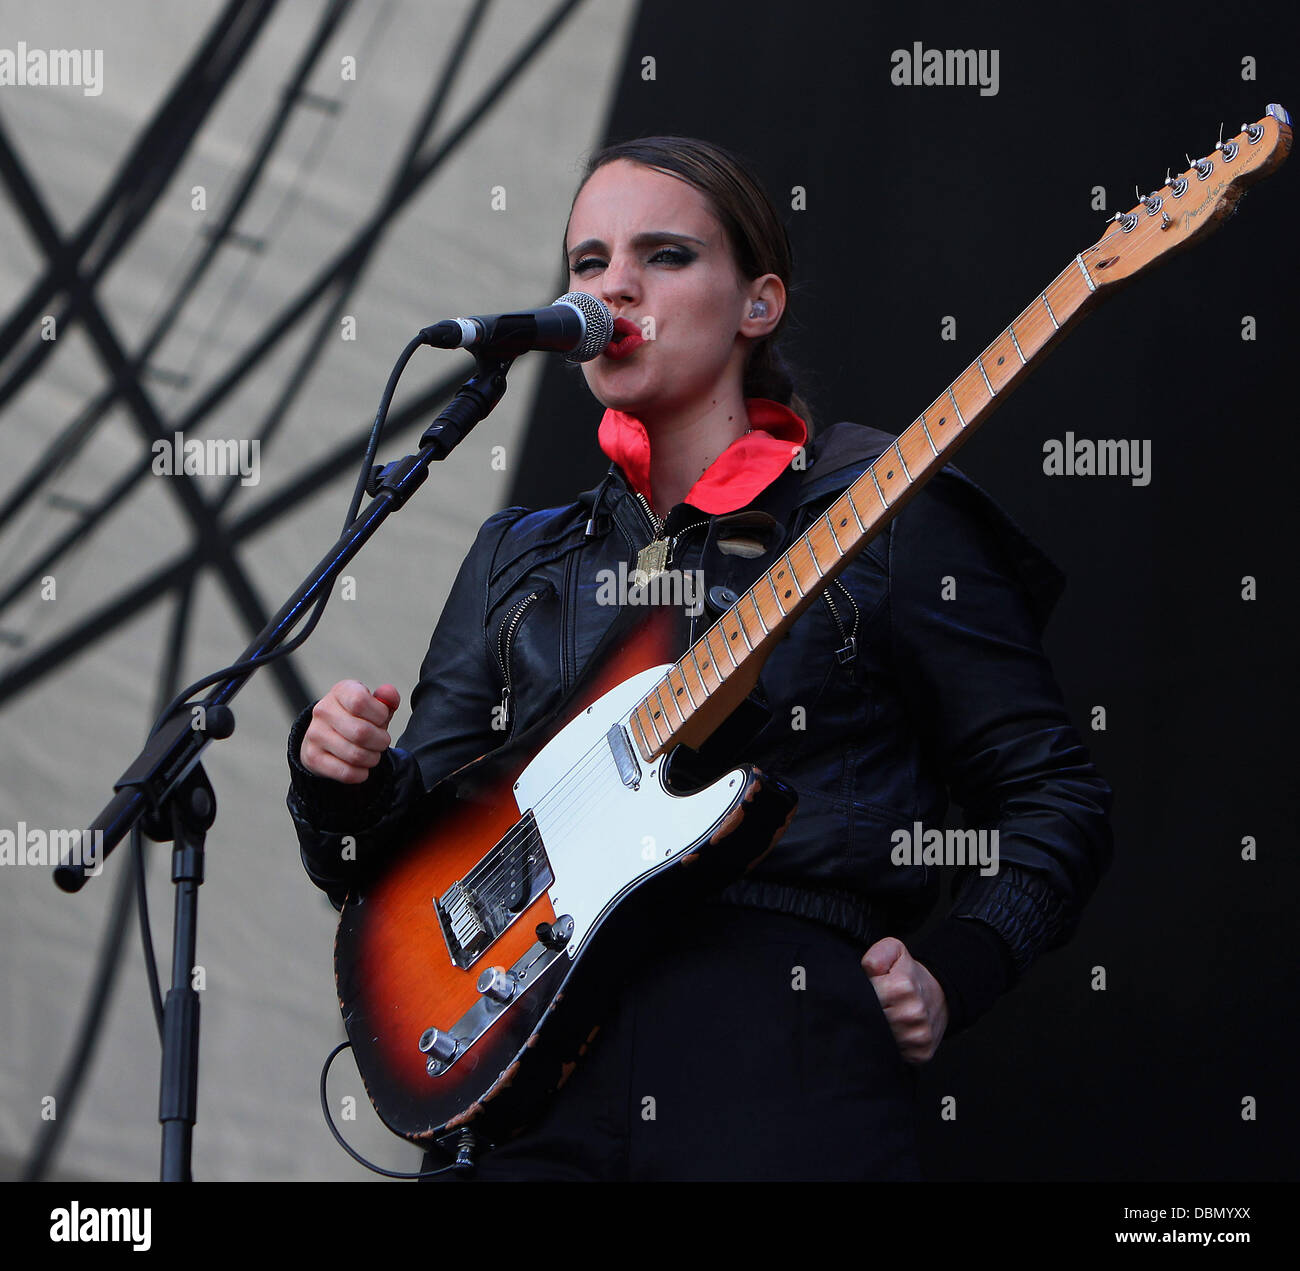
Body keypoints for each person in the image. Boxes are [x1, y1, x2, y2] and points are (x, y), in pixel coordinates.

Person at [286, 136, 1113, 1181]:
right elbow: (396, 869)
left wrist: (961, 965)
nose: (612, 284)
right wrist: (343, 783)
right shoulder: (519, 553)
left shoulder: (884, 514)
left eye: (663, 255)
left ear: (757, 304)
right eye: (587, 262)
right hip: (531, 1079)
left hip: (778, 1055)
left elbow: (1055, 793)